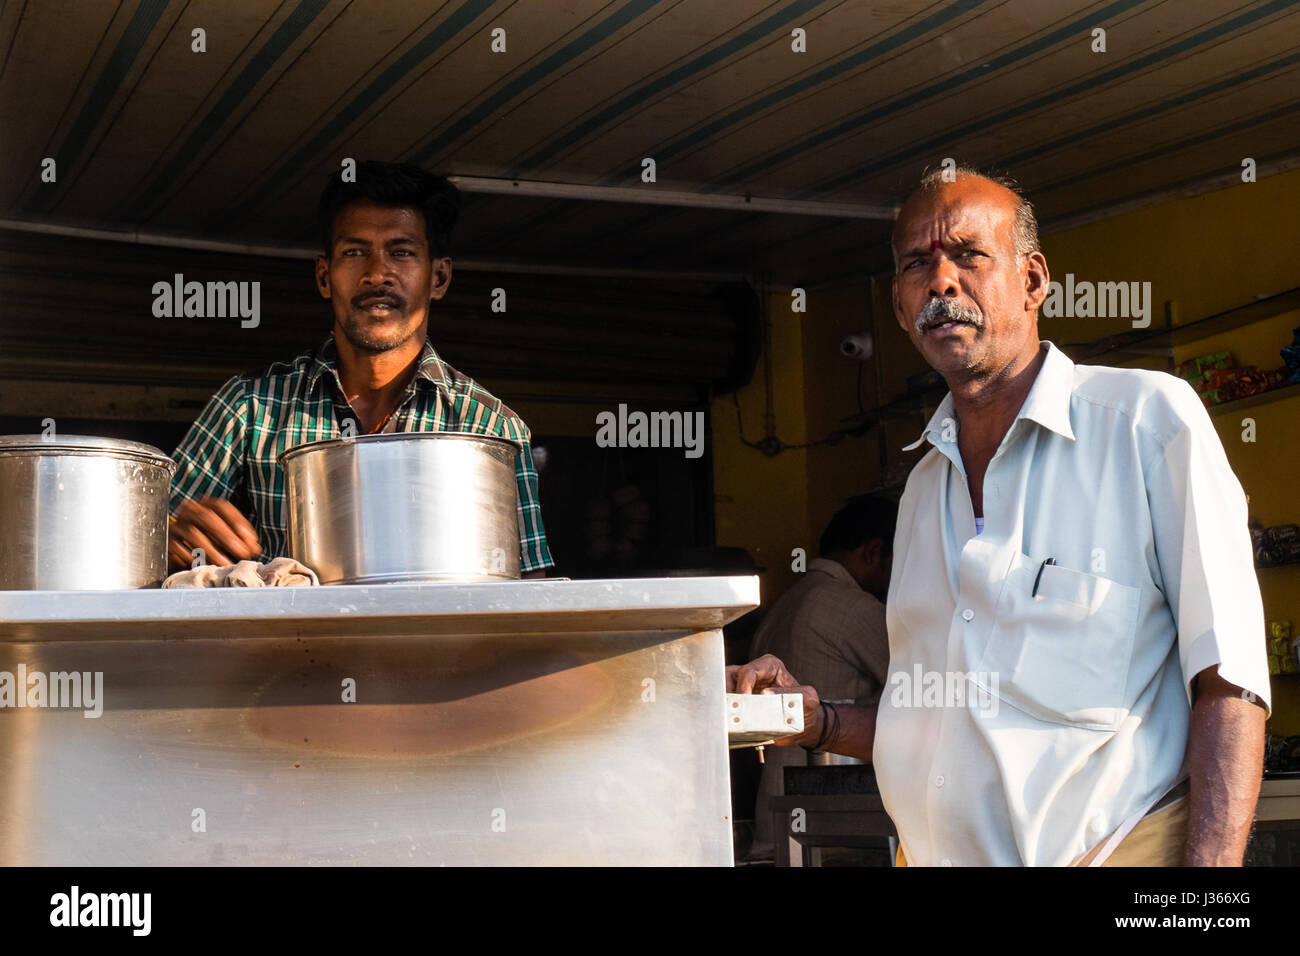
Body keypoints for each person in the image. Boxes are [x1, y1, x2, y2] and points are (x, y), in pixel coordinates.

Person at [731, 165, 1269, 866]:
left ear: (1033, 280)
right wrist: (818, 721)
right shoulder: (923, 490)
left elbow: (1230, 680)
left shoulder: (1144, 424)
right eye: (917, 265)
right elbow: (938, 722)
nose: (941, 282)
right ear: (899, 307)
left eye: (969, 255)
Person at [168, 161, 553, 578]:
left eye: (401, 252)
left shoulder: (491, 429)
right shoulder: (250, 407)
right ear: (324, 276)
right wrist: (174, 538)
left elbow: (529, 589)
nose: (376, 274)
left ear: (439, 277)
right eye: (354, 252)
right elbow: (147, 548)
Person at [744, 493, 896, 859]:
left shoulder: (785, 602)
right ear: (874, 551)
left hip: (777, 817)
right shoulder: (852, 606)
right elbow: (915, 689)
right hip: (833, 826)